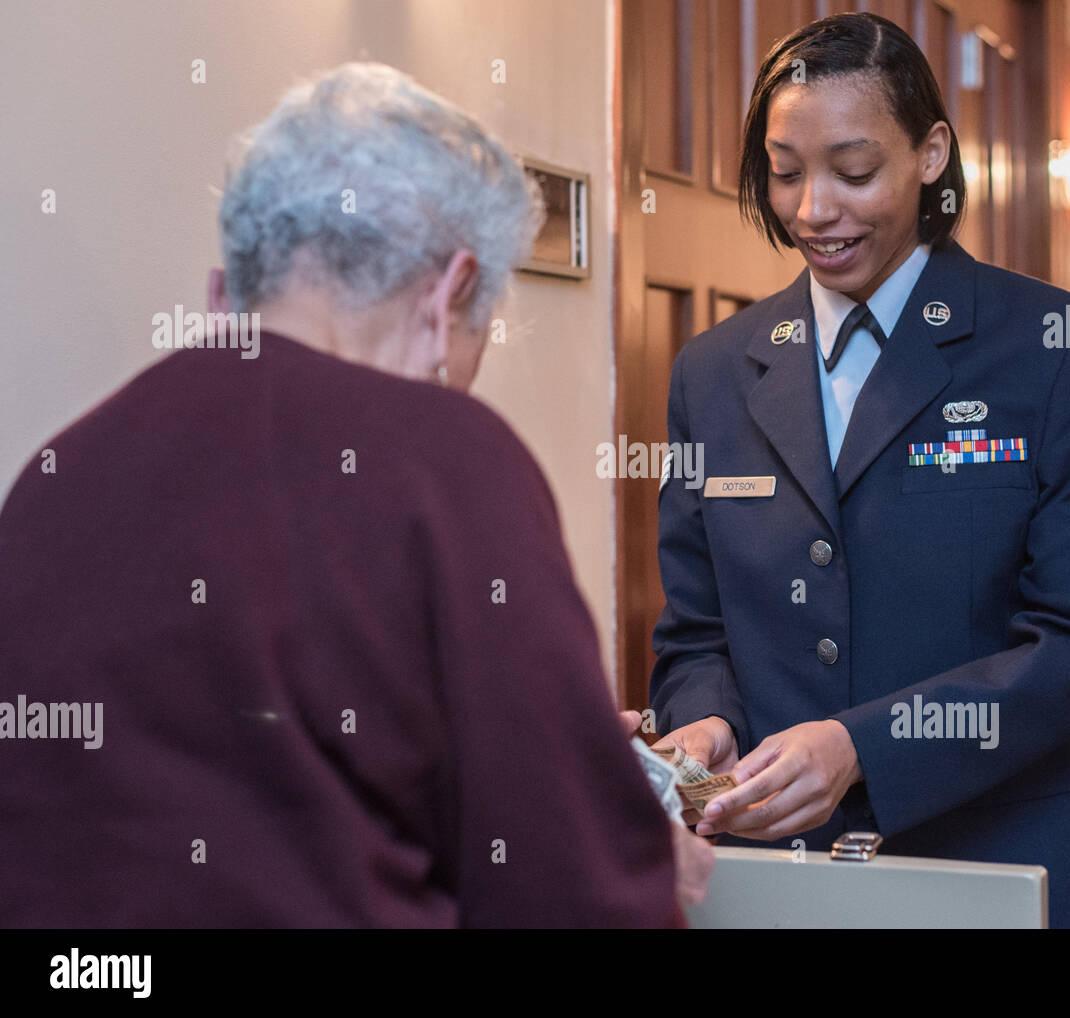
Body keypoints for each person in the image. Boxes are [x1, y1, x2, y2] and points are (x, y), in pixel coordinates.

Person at [0, 62, 710, 928]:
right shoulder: (447, 463)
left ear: (226, 293)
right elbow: (566, 891)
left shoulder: (53, 478)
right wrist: (640, 853)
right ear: (446, 299)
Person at [648, 13, 1070, 928]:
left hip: (1002, 855)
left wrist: (864, 747)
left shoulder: (1059, 349)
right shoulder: (713, 371)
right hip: (774, 869)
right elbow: (696, 631)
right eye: (786, 171)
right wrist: (705, 721)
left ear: (929, 155)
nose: (812, 212)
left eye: (853, 172)